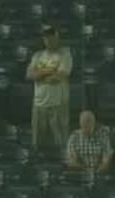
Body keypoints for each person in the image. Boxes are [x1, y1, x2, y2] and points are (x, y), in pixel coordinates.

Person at [27, 26, 73, 155]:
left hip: (57, 105)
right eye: (46, 37)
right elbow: (29, 75)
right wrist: (49, 71)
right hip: (38, 105)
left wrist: (39, 75)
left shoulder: (65, 54)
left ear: (57, 37)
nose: (49, 40)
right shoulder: (38, 55)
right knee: (37, 143)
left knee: (60, 142)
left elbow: (58, 77)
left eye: (51, 37)